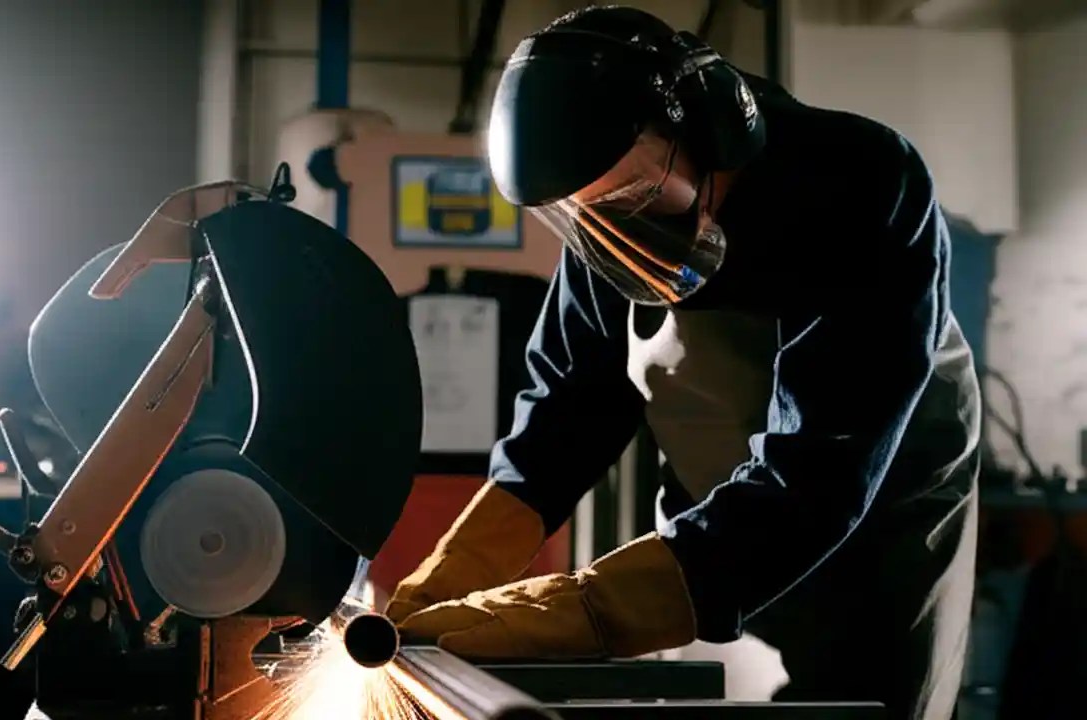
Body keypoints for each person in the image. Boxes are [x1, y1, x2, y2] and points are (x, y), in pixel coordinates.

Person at [385, 6, 981, 720]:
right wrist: (459, 568)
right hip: (724, 494)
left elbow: (825, 465)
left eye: (637, 195)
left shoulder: (862, 181)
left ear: (714, 130)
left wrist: (595, 611)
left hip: (881, 498)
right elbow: (566, 408)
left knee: (872, 699)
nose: (620, 230)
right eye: (586, 213)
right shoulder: (609, 230)